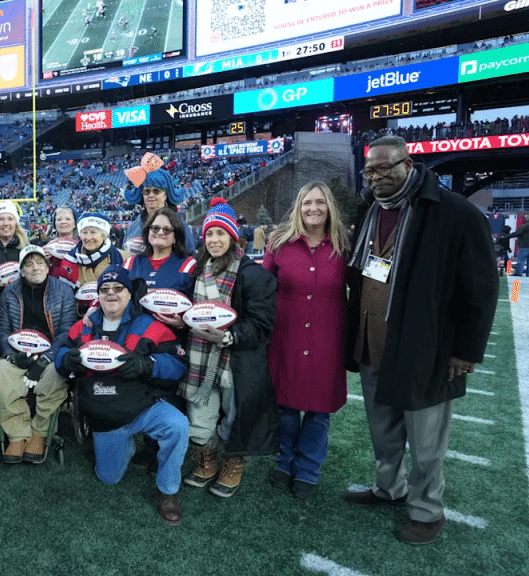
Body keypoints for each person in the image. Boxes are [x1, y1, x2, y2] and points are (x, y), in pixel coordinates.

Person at [346, 135, 498, 545]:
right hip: (371, 338)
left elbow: (482, 287)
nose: (376, 177)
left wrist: (466, 350)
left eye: (384, 168)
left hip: (424, 347)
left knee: (426, 439)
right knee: (383, 429)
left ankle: (428, 512)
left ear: (408, 164)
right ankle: (389, 489)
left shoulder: (455, 213)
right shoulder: (371, 211)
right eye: (369, 171)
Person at [55, 266, 189, 525]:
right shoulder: (84, 327)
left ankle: (168, 491)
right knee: (109, 478)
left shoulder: (149, 326)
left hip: (142, 407)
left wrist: (147, 364)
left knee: (177, 425)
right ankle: (123, 446)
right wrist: (67, 360)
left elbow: (178, 365)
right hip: (105, 414)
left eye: (118, 288)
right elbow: (60, 354)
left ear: (130, 294)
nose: (111, 294)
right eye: (104, 289)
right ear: (98, 296)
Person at [181, 198, 278, 498]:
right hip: (199, 359)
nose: (214, 240)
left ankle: (233, 461)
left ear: (233, 237)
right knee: (199, 418)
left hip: (234, 362)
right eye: (209, 234)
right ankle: (206, 460)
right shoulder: (197, 272)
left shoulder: (251, 275)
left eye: (220, 233)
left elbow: (261, 324)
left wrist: (226, 337)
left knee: (234, 418)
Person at [262, 182, 350, 498]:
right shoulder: (279, 243)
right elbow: (263, 289)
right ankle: (284, 463)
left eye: (320, 202)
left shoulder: (344, 245)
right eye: (306, 203)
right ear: (298, 208)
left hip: (328, 336)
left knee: (318, 410)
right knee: (285, 406)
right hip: (286, 334)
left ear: (330, 208)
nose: (313, 208)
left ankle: (308, 469)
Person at [0, 245, 76, 463]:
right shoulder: (9, 292)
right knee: (1, 369)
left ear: (48, 268)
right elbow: (2, 329)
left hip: (50, 351)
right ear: (21, 271)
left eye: (39, 263)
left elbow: (67, 330)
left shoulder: (63, 291)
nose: (34, 268)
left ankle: (40, 431)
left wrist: (47, 357)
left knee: (56, 372)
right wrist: (11, 354)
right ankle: (18, 434)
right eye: (28, 264)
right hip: (19, 351)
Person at [123, 153, 197, 253]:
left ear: (166, 195)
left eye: (156, 191)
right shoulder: (133, 227)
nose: (151, 195)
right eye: (147, 191)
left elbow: (189, 257)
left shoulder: (179, 226)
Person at [60, 212, 131, 293]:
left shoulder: (124, 257)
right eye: (84, 232)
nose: (88, 237)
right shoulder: (69, 260)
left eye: (93, 232)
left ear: (104, 235)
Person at [0, 201, 29, 284]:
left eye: (10, 219)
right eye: (1, 219)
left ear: (16, 223)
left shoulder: (26, 248)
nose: (6, 223)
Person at [47, 206, 80, 280]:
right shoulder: (48, 247)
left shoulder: (83, 246)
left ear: (75, 223)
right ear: (54, 224)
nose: (63, 222)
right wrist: (42, 259)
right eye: (59, 219)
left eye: (68, 219)